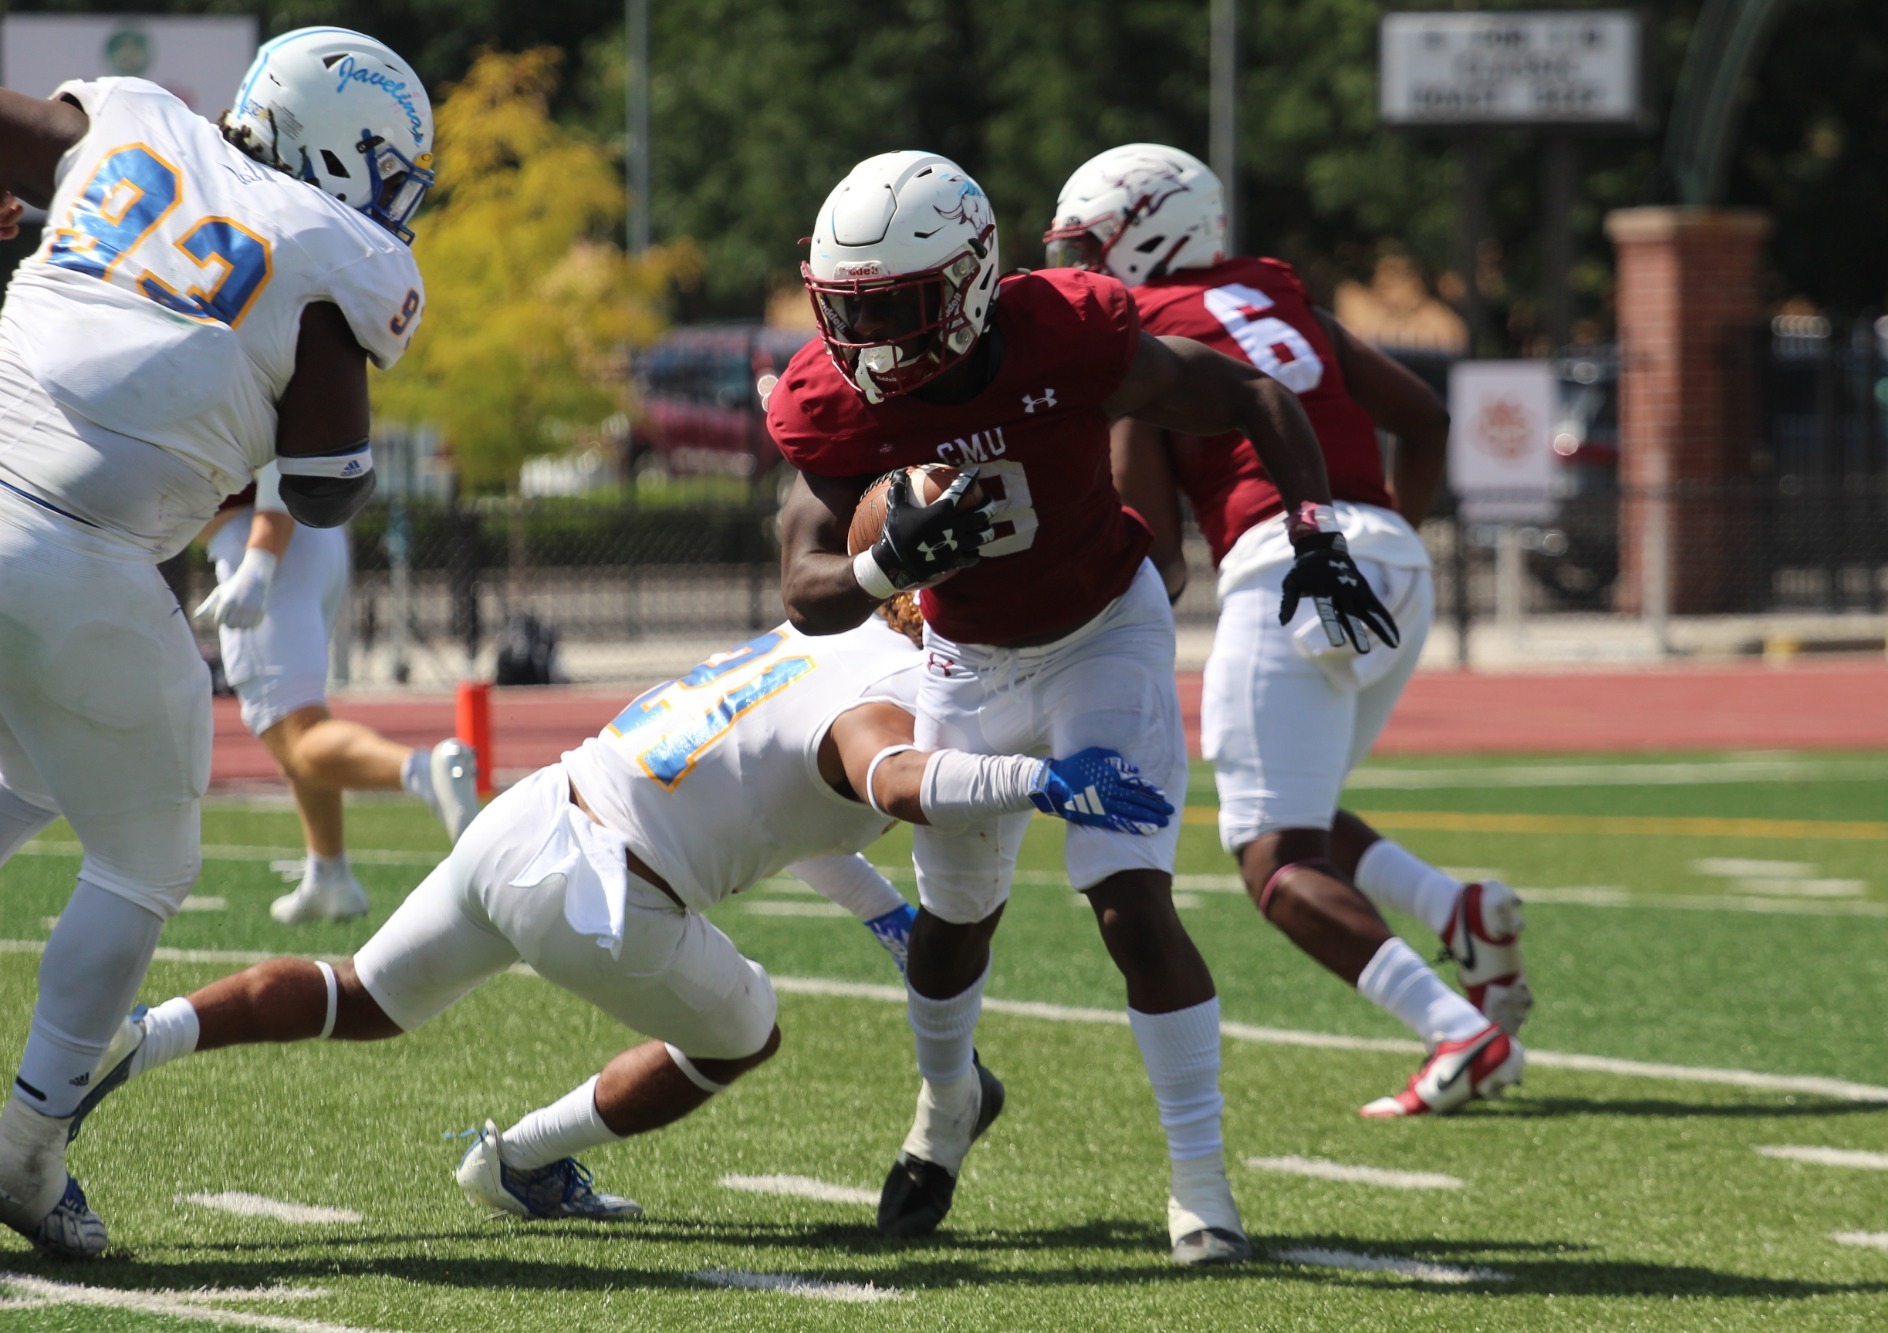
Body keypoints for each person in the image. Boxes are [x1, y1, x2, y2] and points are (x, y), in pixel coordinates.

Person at [770, 150, 1396, 1265]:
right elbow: (805, 588)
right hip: (964, 655)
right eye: (846, 311)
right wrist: (883, 571)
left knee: (1128, 904)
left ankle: (1202, 1185)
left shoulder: (1067, 331)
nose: (867, 341)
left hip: (1104, 627)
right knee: (956, 922)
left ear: (966, 284)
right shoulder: (828, 398)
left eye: (895, 310)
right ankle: (945, 1103)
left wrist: (1313, 532)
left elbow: (1252, 393)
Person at [73, 607, 1176, 1220]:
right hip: (603, 886)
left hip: (532, 811)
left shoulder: (812, 640)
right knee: (746, 1031)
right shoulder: (891, 692)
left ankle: (149, 1033)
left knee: (359, 994)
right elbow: (886, 776)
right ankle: (521, 1161)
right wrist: (1039, 782)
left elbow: (791, 809)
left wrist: (884, 916)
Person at [0, 26, 435, 1256]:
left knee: (29, 770)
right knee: (143, 858)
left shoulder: (134, 122)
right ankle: (27, 1149)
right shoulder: (334, 259)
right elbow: (336, 481)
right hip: (75, 550)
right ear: (346, 152)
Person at [1045, 143, 1531, 1118]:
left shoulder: (1142, 330)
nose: (1081, 271)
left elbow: (1149, 535)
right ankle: (1455, 910)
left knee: (1270, 852)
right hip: (1387, 556)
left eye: (1090, 248)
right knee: (1293, 805)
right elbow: (1425, 418)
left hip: (1282, 561)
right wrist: (1383, 539)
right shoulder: (1277, 296)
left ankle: (1457, 1030)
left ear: (1150, 232)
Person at [196, 462, 479, 922]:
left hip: (263, 538)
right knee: (302, 723)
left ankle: (423, 772)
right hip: (310, 537)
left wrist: (258, 563)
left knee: (293, 732)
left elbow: (274, 448)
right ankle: (329, 874)